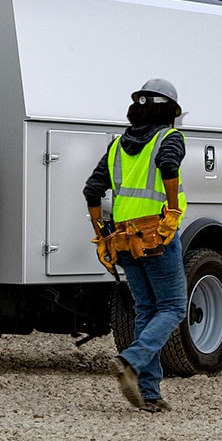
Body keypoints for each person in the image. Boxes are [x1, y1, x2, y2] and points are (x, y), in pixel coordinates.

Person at [83, 78, 188, 413]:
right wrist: (171, 210)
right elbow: (169, 165)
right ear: (170, 111)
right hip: (157, 235)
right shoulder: (169, 138)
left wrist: (100, 233)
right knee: (172, 307)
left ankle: (149, 393)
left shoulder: (117, 146)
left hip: (124, 239)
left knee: (146, 309)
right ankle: (131, 360)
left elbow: (92, 190)